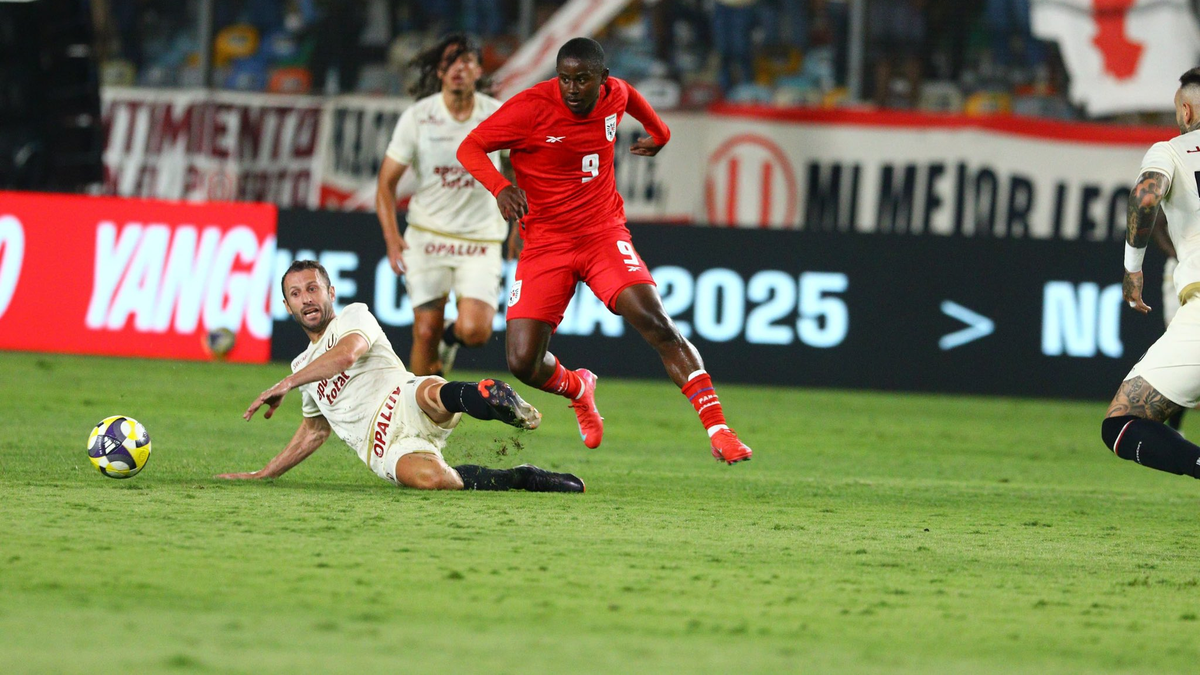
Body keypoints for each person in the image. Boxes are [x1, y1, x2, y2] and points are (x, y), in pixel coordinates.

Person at [456, 37, 752, 465]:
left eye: (582, 79)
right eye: (565, 79)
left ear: (602, 80)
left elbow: (632, 99)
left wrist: (661, 133)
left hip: (602, 235)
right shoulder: (531, 107)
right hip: (546, 245)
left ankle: (719, 430)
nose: (572, 88)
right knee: (522, 361)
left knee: (657, 323)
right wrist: (501, 188)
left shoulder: (616, 94)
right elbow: (470, 146)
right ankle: (578, 388)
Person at [217, 260, 584, 493]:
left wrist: (286, 383)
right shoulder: (302, 367)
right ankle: (522, 477)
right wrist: (265, 474)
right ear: (287, 306)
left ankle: (486, 396)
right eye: (295, 294)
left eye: (313, 289)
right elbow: (314, 431)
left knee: (430, 392)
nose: (306, 299)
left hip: (403, 399)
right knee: (432, 479)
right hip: (385, 448)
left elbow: (347, 354)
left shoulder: (353, 317)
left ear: (330, 292)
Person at [376, 34, 512, 377]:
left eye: (466, 61)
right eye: (449, 62)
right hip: (428, 235)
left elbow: (518, 169)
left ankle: (450, 340)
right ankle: (418, 422)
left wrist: (523, 226)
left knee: (476, 332)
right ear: (438, 71)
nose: (457, 69)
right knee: (424, 331)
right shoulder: (419, 117)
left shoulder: (496, 115)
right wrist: (393, 239)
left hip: (480, 239)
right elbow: (386, 184)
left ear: (479, 70)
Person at [1101, 67, 1200, 480]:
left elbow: (1146, 196)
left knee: (1122, 425)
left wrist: (1132, 268)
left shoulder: (1172, 150)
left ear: (1187, 111)